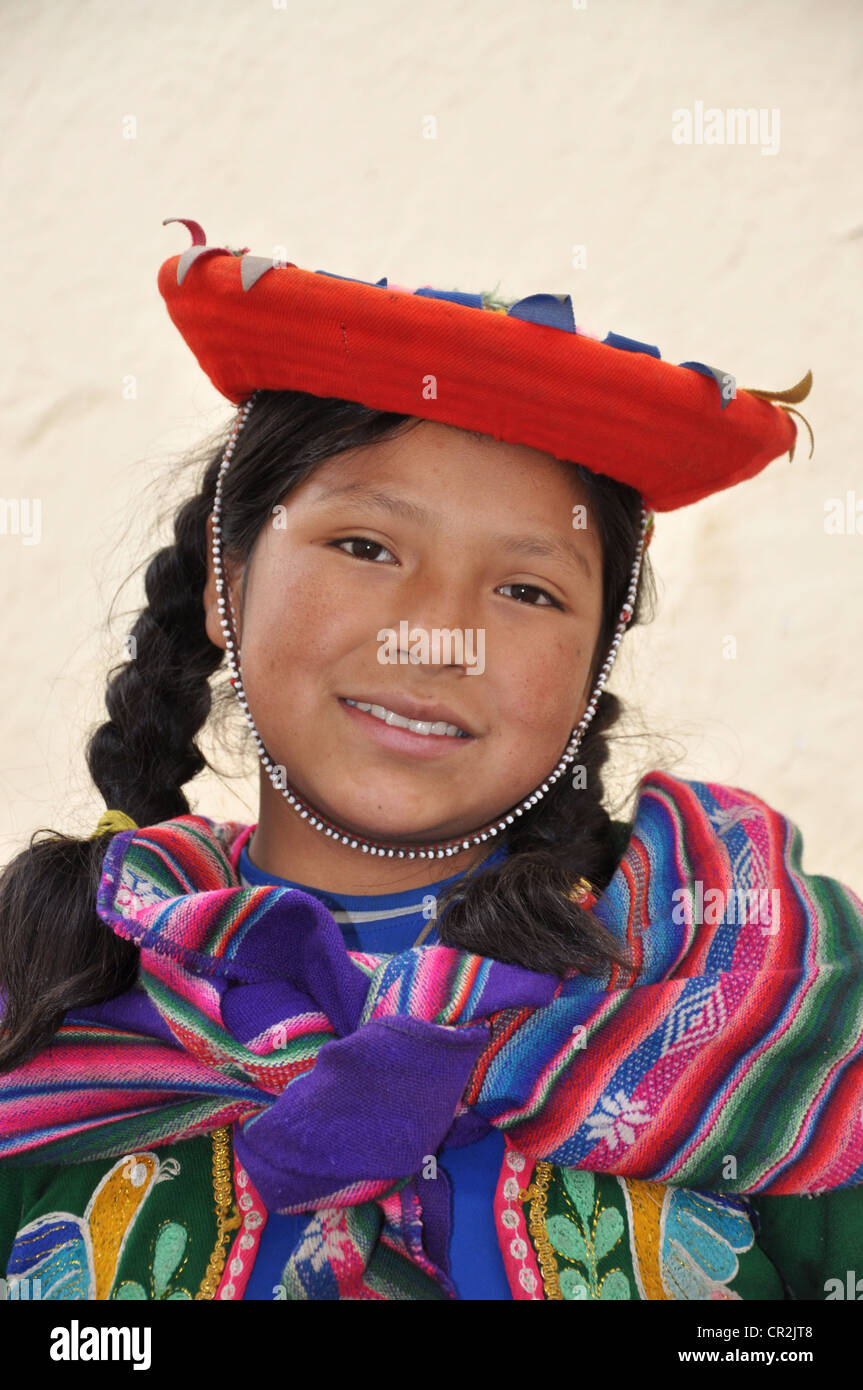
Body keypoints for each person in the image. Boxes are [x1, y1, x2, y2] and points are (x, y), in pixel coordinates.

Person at [0, 218, 860, 1302]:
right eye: (366, 547)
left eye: (526, 589)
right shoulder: (47, 1001)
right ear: (224, 585)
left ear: (592, 661)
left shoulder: (766, 995)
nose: (436, 637)